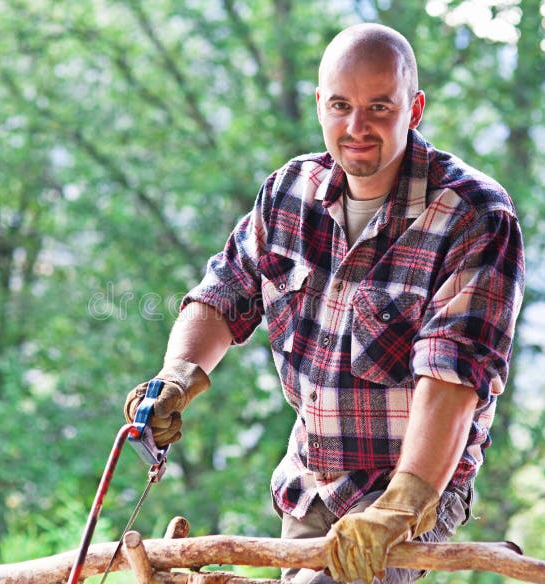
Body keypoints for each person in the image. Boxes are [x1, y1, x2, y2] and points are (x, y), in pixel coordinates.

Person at [124, 22, 524, 584]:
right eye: (340, 106)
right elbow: (223, 292)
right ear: (319, 105)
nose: (356, 127)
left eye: (379, 107)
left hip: (410, 487)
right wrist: (177, 377)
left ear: (414, 109)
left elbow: (453, 377)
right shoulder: (289, 193)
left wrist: (399, 508)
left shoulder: (474, 216)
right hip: (309, 483)